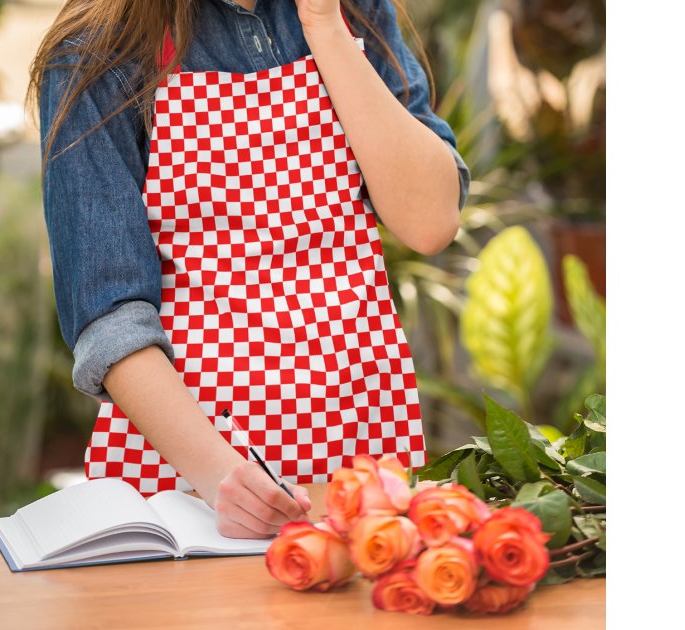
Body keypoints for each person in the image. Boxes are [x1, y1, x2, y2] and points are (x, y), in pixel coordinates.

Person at [28, 0, 470, 539]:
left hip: (365, 453)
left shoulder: (354, 13)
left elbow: (430, 220)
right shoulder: (97, 50)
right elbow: (110, 319)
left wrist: (326, 28)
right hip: (192, 489)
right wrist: (223, 479)